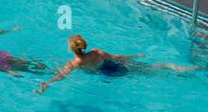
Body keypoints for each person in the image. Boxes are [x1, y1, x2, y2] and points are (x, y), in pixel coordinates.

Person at [35, 34, 195, 93]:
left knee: (148, 74)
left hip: (109, 76)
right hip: (118, 68)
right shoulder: (97, 52)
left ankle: (177, 74)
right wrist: (134, 55)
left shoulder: (74, 64)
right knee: (153, 68)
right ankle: (179, 69)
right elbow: (117, 56)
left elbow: (61, 76)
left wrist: (46, 83)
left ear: (72, 50)